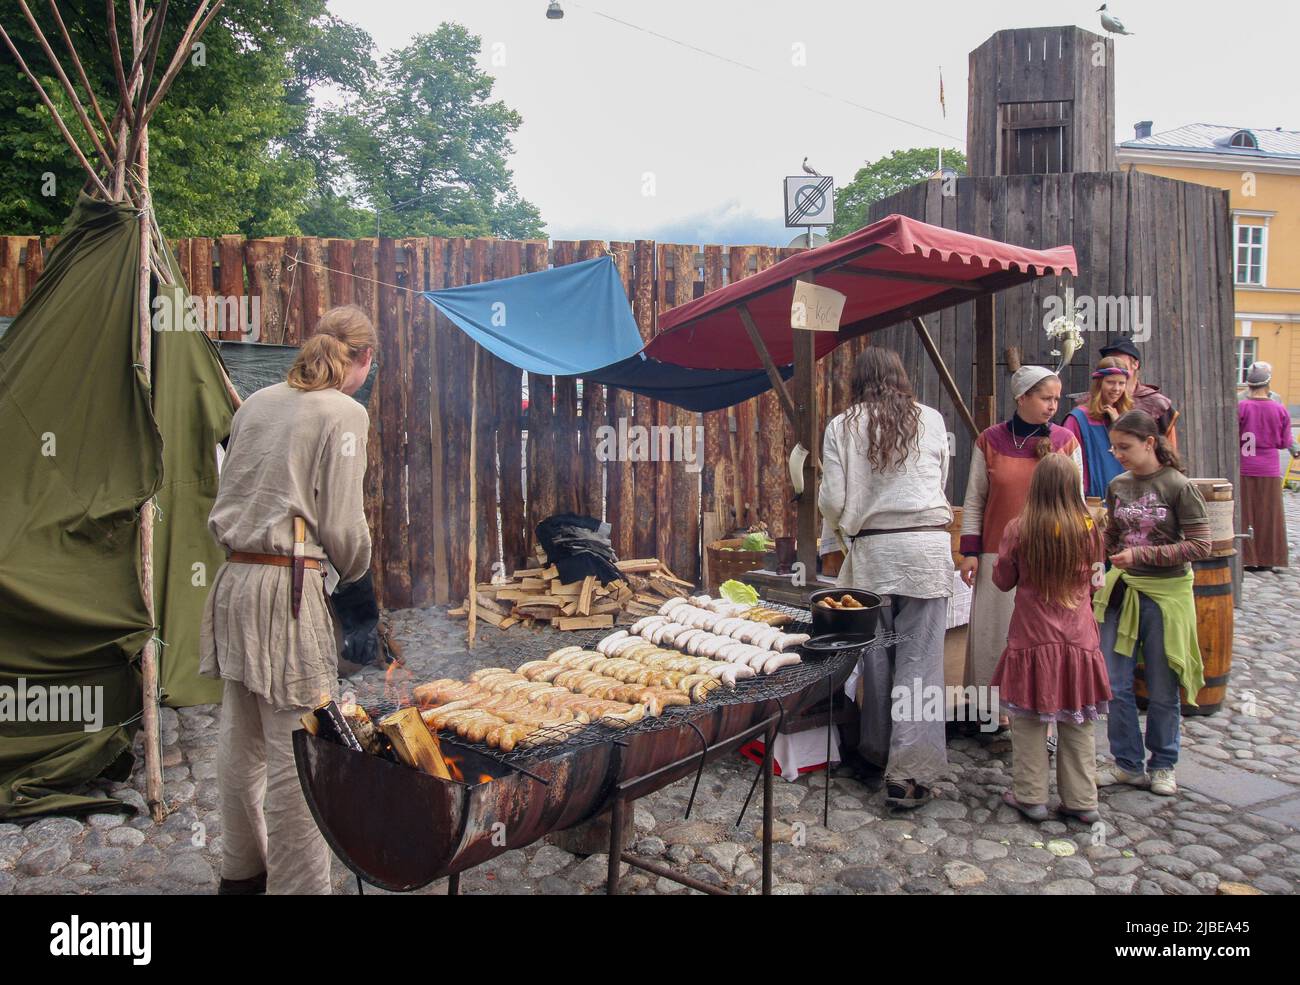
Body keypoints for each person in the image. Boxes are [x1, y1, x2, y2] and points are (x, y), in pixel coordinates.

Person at [200, 305, 375, 894]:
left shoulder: (255, 404)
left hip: (234, 583)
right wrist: (357, 575)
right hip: (285, 593)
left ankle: (241, 870)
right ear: (364, 359)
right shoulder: (345, 412)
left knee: (240, 735)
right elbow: (345, 527)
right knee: (300, 748)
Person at [819, 347, 951, 809]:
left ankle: (875, 754)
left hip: (875, 552)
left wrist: (843, 528)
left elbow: (834, 500)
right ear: (901, 376)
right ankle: (909, 772)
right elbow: (941, 483)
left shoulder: (842, 425)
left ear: (858, 381)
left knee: (875, 660)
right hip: (928, 549)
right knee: (920, 665)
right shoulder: (931, 419)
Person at [1094, 410, 1210, 797]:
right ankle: (1127, 763)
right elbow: (1113, 534)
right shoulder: (1117, 485)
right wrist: (1105, 545)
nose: (1117, 453)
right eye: (1113, 446)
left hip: (1166, 598)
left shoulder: (1178, 486)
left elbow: (1199, 545)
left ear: (1149, 443)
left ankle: (1163, 764)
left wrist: (1141, 557)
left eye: (1124, 447)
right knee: (1115, 684)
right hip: (1121, 594)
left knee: (1162, 686)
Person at [991, 454, 1111, 824]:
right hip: (1079, 639)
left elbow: (1002, 580)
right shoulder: (1090, 527)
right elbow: (1096, 581)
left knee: (1028, 720)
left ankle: (1031, 796)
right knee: (1078, 719)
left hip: (1032, 637)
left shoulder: (1019, 528)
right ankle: (1081, 799)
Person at [959, 366, 1083, 717]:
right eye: (1046, 398)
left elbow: (1078, 500)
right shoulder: (990, 440)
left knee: (1042, 638)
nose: (1052, 405)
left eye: (1056, 399)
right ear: (1022, 397)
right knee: (994, 636)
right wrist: (969, 551)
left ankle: (1041, 707)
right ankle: (992, 712)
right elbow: (975, 499)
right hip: (996, 553)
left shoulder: (1065, 442)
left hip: (1050, 558)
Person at [1238, 361, 1299, 571]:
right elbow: (1284, 441)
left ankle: (1247, 557)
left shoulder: (1242, 407)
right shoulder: (1279, 409)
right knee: (1269, 515)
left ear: (1249, 384)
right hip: (1269, 469)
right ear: (1268, 383)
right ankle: (1268, 558)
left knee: (1245, 514)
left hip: (1245, 466)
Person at [1063, 357, 1132, 498]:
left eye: (1121, 383)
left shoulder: (1127, 416)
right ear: (1099, 384)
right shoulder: (1077, 419)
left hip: (1125, 499)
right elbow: (1067, 464)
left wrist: (1119, 424)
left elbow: (1137, 456)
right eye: (1110, 382)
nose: (1117, 389)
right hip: (1090, 501)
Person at [1095, 336, 1178, 452]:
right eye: (1110, 361)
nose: (1114, 366)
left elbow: (1170, 450)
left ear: (1135, 364)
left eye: (1119, 361)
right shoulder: (1093, 403)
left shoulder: (1157, 404)